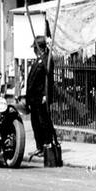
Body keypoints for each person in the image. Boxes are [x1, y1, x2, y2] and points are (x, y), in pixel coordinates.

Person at [26, 35, 60, 164]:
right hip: (34, 98)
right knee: (35, 123)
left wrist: (46, 95)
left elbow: (48, 80)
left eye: (35, 48)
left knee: (43, 122)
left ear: (40, 48)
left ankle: (46, 145)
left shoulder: (47, 60)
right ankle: (39, 146)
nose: (34, 51)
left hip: (41, 98)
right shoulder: (38, 60)